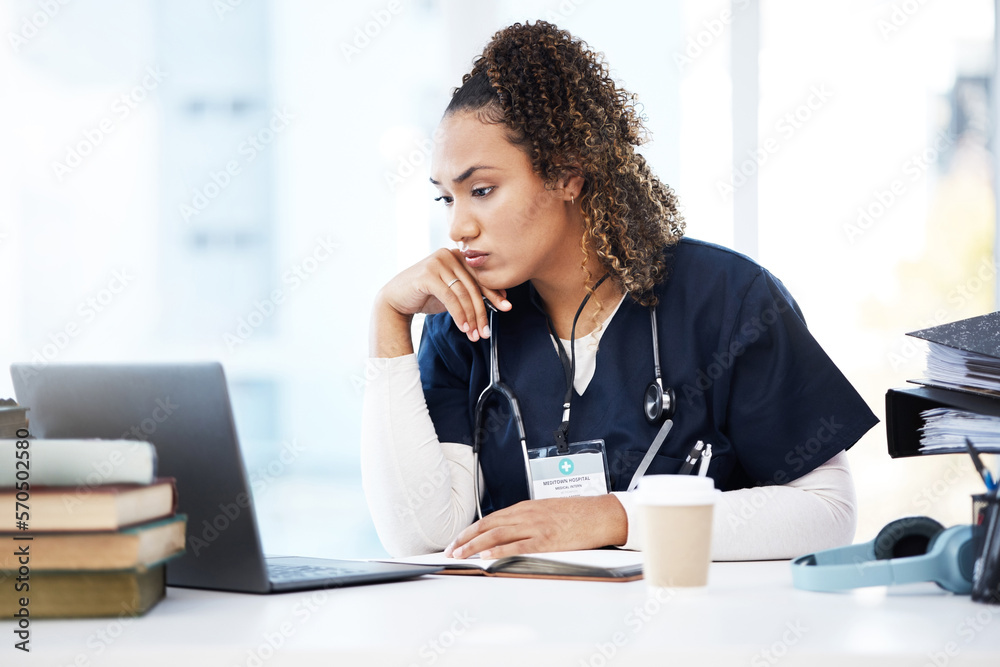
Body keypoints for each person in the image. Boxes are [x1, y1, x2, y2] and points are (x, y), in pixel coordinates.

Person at [361, 21, 878, 561]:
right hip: (520, 636)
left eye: (482, 190)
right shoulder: (463, 323)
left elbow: (827, 513)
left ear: (567, 174)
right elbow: (422, 539)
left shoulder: (726, 299)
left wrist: (613, 517)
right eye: (446, 199)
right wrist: (388, 319)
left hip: (695, 633)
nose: (458, 228)